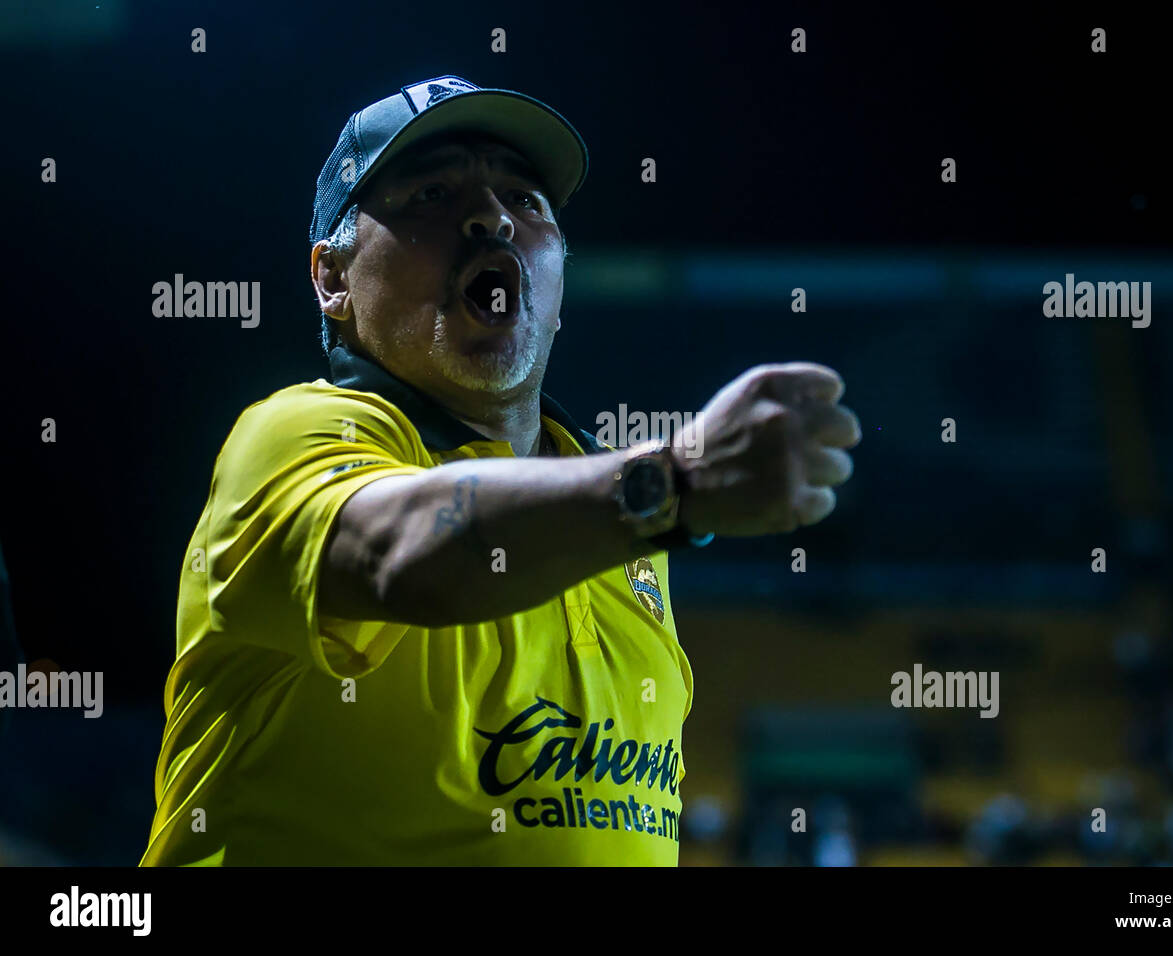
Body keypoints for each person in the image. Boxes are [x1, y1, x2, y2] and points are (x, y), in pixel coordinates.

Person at [140, 74, 859, 865]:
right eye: (431, 194)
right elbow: (402, 555)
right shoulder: (294, 434)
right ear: (332, 279)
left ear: (557, 286)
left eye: (525, 198)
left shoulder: (621, 525)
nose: (491, 217)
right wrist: (674, 483)